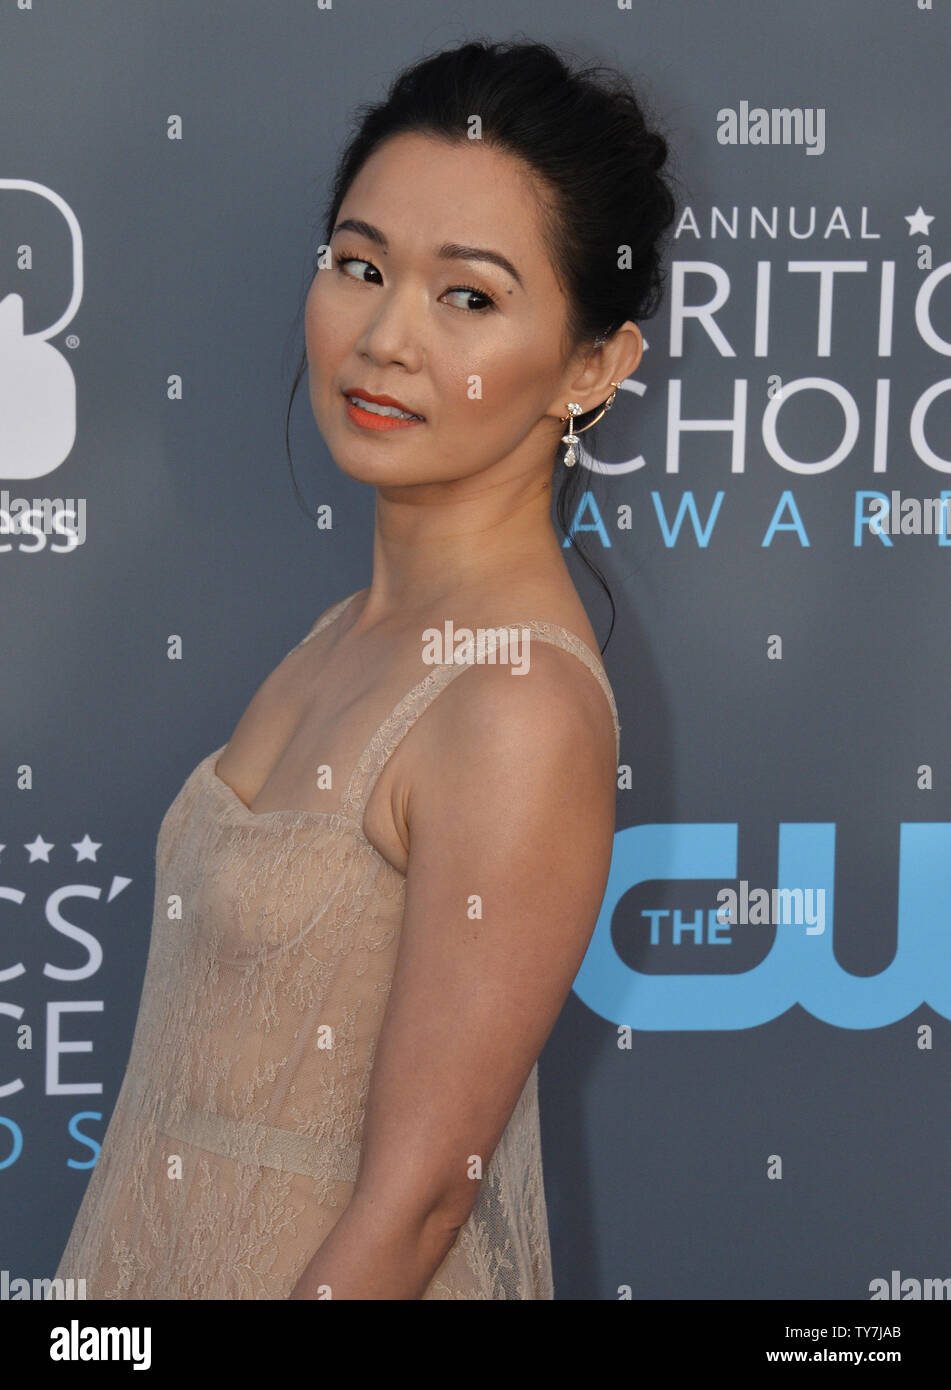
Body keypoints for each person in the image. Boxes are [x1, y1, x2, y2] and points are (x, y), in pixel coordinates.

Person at [53, 37, 675, 1299]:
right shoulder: (346, 632)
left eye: (470, 297)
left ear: (594, 366)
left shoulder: (514, 707)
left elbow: (419, 1204)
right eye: (359, 265)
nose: (385, 335)